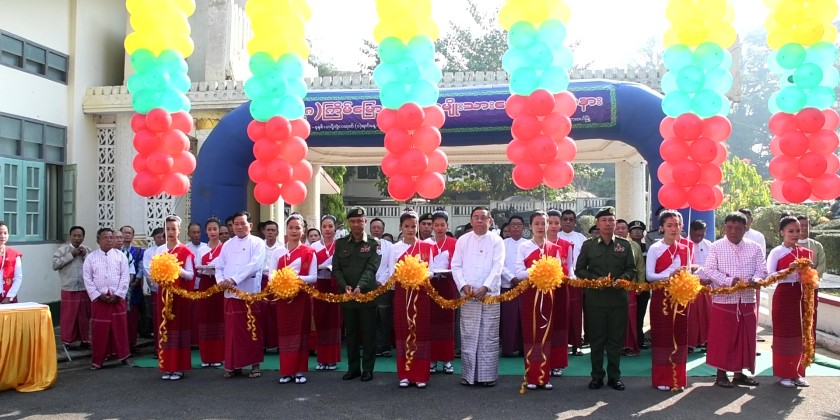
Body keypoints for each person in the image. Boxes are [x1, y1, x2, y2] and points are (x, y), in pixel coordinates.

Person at [700, 211, 767, 388]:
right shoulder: (716, 246)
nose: (733, 231)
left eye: (738, 228)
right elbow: (709, 270)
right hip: (724, 300)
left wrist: (756, 280)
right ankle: (721, 374)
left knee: (746, 337)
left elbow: (762, 270)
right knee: (723, 338)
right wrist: (730, 281)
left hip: (747, 299)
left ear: (746, 228)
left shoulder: (755, 247)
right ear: (724, 228)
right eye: (729, 227)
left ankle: (739, 373)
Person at [575, 207, 636, 391]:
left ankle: (615, 376)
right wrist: (595, 280)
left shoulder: (625, 245)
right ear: (597, 223)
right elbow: (580, 270)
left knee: (616, 340)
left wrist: (622, 280)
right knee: (596, 340)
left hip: (618, 299)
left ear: (616, 223)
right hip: (595, 300)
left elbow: (631, 269)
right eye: (604, 220)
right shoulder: (589, 245)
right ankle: (597, 376)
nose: (608, 223)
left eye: (611, 220)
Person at [452, 206, 504, 387]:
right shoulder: (463, 240)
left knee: (488, 335)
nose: (480, 221)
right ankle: (468, 376)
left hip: (490, 294)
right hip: (468, 294)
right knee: (469, 334)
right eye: (476, 217)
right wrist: (463, 285)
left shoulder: (497, 241)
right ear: (471, 220)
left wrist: (486, 286)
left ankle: (488, 376)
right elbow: (456, 265)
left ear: (490, 221)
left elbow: (498, 267)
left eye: (484, 218)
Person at [515, 211, 566, 390]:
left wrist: (549, 272)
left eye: (544, 223)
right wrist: (537, 271)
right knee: (531, 334)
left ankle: (544, 376)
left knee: (546, 335)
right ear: (531, 226)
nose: (540, 227)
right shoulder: (524, 247)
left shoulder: (555, 248)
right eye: (537, 223)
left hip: (549, 296)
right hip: (530, 296)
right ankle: (532, 376)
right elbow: (518, 273)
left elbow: (559, 273)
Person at [386, 210, 435, 388]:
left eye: (413, 226)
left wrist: (419, 274)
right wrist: (404, 275)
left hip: (421, 294)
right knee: (403, 331)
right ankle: (405, 374)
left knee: (420, 331)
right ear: (401, 227)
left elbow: (432, 271)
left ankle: (420, 374)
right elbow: (392, 273)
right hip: (401, 293)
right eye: (406, 226)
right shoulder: (394, 248)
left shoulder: (427, 247)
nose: (410, 229)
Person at [215, 211, 266, 379]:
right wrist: (221, 281)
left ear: (250, 226)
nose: (239, 227)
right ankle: (233, 366)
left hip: (249, 293)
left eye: (242, 223)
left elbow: (255, 265)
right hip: (229, 294)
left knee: (251, 330)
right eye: (235, 224)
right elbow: (219, 266)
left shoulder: (257, 243)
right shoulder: (227, 245)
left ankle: (254, 366)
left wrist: (234, 279)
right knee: (232, 332)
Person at [333, 206, 382, 382]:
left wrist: (360, 286)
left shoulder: (374, 244)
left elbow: (371, 268)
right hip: (347, 296)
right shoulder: (340, 244)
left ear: (365, 222)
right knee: (351, 334)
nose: (356, 225)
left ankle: (368, 369)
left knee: (368, 334)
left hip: (366, 295)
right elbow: (336, 268)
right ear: (348, 223)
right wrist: (344, 285)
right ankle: (353, 368)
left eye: (359, 221)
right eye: (353, 221)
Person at [645, 210, 691, 391]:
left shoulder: (685, 248)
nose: (674, 229)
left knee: (679, 337)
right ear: (661, 228)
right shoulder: (655, 248)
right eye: (670, 225)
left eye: (677, 225)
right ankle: (662, 379)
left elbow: (687, 273)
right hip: (661, 297)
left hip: (680, 298)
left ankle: (678, 379)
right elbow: (650, 276)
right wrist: (669, 276)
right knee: (663, 337)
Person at [270, 214, 318, 385]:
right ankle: (286, 371)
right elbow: (271, 276)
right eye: (291, 227)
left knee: (301, 333)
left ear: (303, 230)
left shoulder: (309, 252)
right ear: (286, 230)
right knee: (285, 334)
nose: (294, 231)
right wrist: (283, 281)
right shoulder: (278, 252)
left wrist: (294, 279)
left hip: (301, 298)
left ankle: (299, 370)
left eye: (298, 228)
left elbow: (313, 277)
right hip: (283, 299)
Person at [768, 216, 814, 388]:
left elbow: (811, 278)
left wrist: (809, 274)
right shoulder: (776, 252)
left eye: (798, 231)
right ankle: (784, 374)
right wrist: (789, 270)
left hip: (801, 296)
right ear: (782, 233)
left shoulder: (805, 252)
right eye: (791, 231)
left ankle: (798, 373)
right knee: (784, 335)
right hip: (784, 296)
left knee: (800, 335)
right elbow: (769, 276)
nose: (795, 234)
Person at [151, 216, 196, 381]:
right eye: (168, 228)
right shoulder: (159, 251)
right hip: (163, 295)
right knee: (165, 329)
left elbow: (191, 275)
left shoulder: (185, 251)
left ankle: (179, 367)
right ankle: (167, 366)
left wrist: (176, 269)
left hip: (179, 296)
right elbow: (153, 272)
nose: (171, 232)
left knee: (179, 329)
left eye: (174, 229)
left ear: (179, 230)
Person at [83, 228, 133, 369]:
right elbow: (87, 279)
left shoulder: (121, 256)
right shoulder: (90, 258)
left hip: (117, 298)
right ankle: (98, 360)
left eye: (111, 237)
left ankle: (124, 356)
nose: (109, 240)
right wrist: (98, 295)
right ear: (98, 240)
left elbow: (125, 277)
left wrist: (118, 294)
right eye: (106, 237)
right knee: (99, 329)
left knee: (120, 328)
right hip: (100, 300)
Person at [425, 210, 458, 374]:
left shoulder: (454, 242)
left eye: (442, 225)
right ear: (431, 226)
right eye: (436, 225)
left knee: (447, 324)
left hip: (447, 285)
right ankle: (431, 359)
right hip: (430, 286)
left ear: (447, 226)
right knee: (431, 323)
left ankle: (446, 360)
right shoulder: (425, 243)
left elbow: (458, 263)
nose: (439, 228)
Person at [311, 215, 342, 371]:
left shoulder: (340, 245)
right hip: (319, 286)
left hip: (335, 286)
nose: (327, 229)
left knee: (333, 321)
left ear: (335, 228)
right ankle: (321, 358)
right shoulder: (314, 246)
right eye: (324, 226)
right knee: (320, 321)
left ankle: (332, 359)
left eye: (330, 226)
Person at [53, 226, 93, 347]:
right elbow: (55, 265)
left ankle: (84, 340)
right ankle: (67, 341)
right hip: (68, 288)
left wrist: (85, 255)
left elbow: (94, 266)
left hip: (85, 288)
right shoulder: (62, 250)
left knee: (84, 316)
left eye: (79, 236)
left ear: (83, 237)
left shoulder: (88, 250)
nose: (77, 238)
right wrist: (71, 255)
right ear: (70, 236)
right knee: (68, 316)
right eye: (74, 235)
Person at [545, 210, 573, 377]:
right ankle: (543, 361)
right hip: (542, 290)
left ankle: (557, 363)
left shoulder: (566, 245)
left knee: (559, 327)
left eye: (557, 223)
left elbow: (571, 268)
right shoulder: (538, 245)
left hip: (561, 290)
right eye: (550, 223)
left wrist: (569, 278)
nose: (554, 226)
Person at [195, 217, 225, 367]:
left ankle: (219, 356)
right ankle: (206, 357)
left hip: (219, 285)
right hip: (205, 284)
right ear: (206, 232)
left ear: (219, 230)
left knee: (219, 318)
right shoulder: (202, 249)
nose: (212, 232)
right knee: (205, 319)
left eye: (215, 229)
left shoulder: (225, 248)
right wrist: (203, 268)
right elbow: (197, 268)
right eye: (209, 229)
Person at [558, 210, 587, 356]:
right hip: (559, 280)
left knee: (576, 313)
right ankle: (561, 344)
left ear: (575, 222)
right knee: (562, 312)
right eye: (565, 219)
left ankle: (577, 345)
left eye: (571, 219)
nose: (568, 222)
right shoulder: (555, 237)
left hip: (577, 280)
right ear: (561, 221)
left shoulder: (581, 238)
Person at [615, 219, 645, 357]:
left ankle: (629, 346)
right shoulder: (608, 244)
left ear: (627, 231)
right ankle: (614, 346)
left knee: (630, 318)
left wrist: (640, 285)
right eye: (618, 228)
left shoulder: (634, 246)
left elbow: (640, 267)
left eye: (623, 228)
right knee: (615, 319)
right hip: (612, 288)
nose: (621, 230)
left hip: (630, 287)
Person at [500, 215, 527, 357]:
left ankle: (524, 348)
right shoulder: (503, 244)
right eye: (513, 225)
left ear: (523, 227)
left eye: (519, 224)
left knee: (524, 318)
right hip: (507, 285)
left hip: (524, 286)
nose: (516, 227)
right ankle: (508, 348)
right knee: (508, 319)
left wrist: (523, 279)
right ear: (509, 227)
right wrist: (512, 278)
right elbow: (500, 265)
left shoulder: (528, 244)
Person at [687, 220, 712, 352]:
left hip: (706, 286)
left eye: (701, 235)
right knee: (691, 317)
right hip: (688, 287)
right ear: (690, 231)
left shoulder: (709, 245)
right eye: (695, 235)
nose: (698, 238)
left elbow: (712, 266)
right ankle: (690, 343)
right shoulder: (683, 244)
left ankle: (706, 341)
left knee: (707, 315)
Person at [370, 217, 394, 358]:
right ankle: (373, 346)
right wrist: (370, 281)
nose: (376, 230)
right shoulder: (364, 244)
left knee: (384, 317)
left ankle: (385, 346)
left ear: (383, 230)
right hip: (368, 285)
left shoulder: (389, 246)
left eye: (379, 227)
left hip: (384, 286)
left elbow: (390, 266)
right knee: (371, 318)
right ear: (370, 229)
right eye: (374, 227)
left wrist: (381, 281)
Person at [119, 225, 144, 351]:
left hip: (134, 289)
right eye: (125, 233)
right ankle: (121, 344)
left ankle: (131, 343)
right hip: (118, 289)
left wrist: (136, 280)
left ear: (133, 236)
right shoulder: (116, 251)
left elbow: (141, 267)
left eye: (130, 233)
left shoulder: (138, 251)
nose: (127, 235)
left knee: (132, 318)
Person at [628, 220, 650, 350]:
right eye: (634, 230)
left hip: (644, 286)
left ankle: (640, 339)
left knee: (640, 313)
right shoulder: (625, 246)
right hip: (629, 285)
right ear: (629, 232)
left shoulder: (648, 248)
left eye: (640, 230)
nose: (637, 232)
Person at [143, 227, 165, 355]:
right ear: (154, 239)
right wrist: (159, 283)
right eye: (158, 237)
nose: (161, 239)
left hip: (171, 289)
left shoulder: (170, 249)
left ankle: (171, 348)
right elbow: (147, 270)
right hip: (156, 290)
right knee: (158, 319)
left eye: (163, 236)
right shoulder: (149, 252)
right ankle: (158, 348)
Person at [261, 220, 281, 351]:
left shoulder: (282, 248)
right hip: (261, 281)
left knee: (275, 312)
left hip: (276, 282)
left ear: (277, 233)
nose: (270, 233)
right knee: (261, 312)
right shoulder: (259, 246)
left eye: (273, 230)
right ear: (264, 231)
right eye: (268, 230)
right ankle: (262, 344)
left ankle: (277, 343)